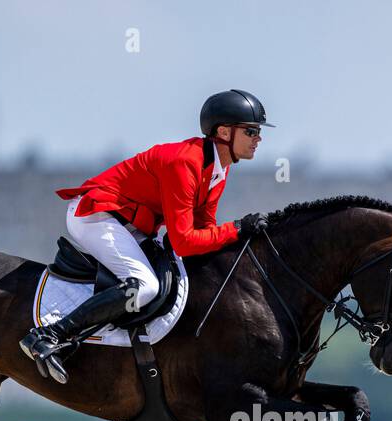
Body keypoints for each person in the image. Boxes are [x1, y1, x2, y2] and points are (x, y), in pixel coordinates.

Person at [21, 89, 274, 382]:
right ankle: (48, 336)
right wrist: (238, 228)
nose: (259, 139)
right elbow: (184, 241)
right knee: (145, 286)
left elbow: (205, 227)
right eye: (252, 131)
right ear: (224, 131)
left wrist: (241, 237)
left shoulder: (218, 169)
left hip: (131, 225)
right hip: (97, 215)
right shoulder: (185, 162)